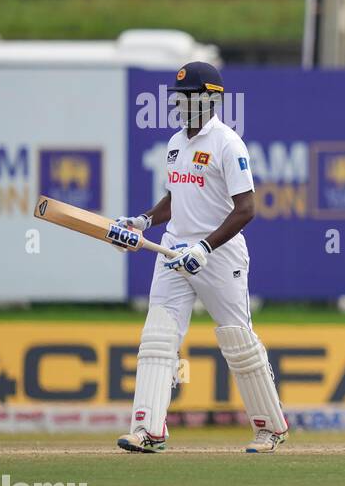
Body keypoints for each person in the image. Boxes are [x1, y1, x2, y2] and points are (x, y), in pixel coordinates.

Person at [115, 61, 289, 453]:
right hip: (174, 252)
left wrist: (205, 248)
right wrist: (143, 221)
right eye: (179, 97)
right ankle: (149, 430)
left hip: (220, 257)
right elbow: (176, 199)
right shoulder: (177, 144)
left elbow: (246, 208)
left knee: (238, 340)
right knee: (157, 338)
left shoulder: (228, 143)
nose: (182, 104)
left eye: (190, 96)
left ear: (211, 99)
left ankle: (270, 427)